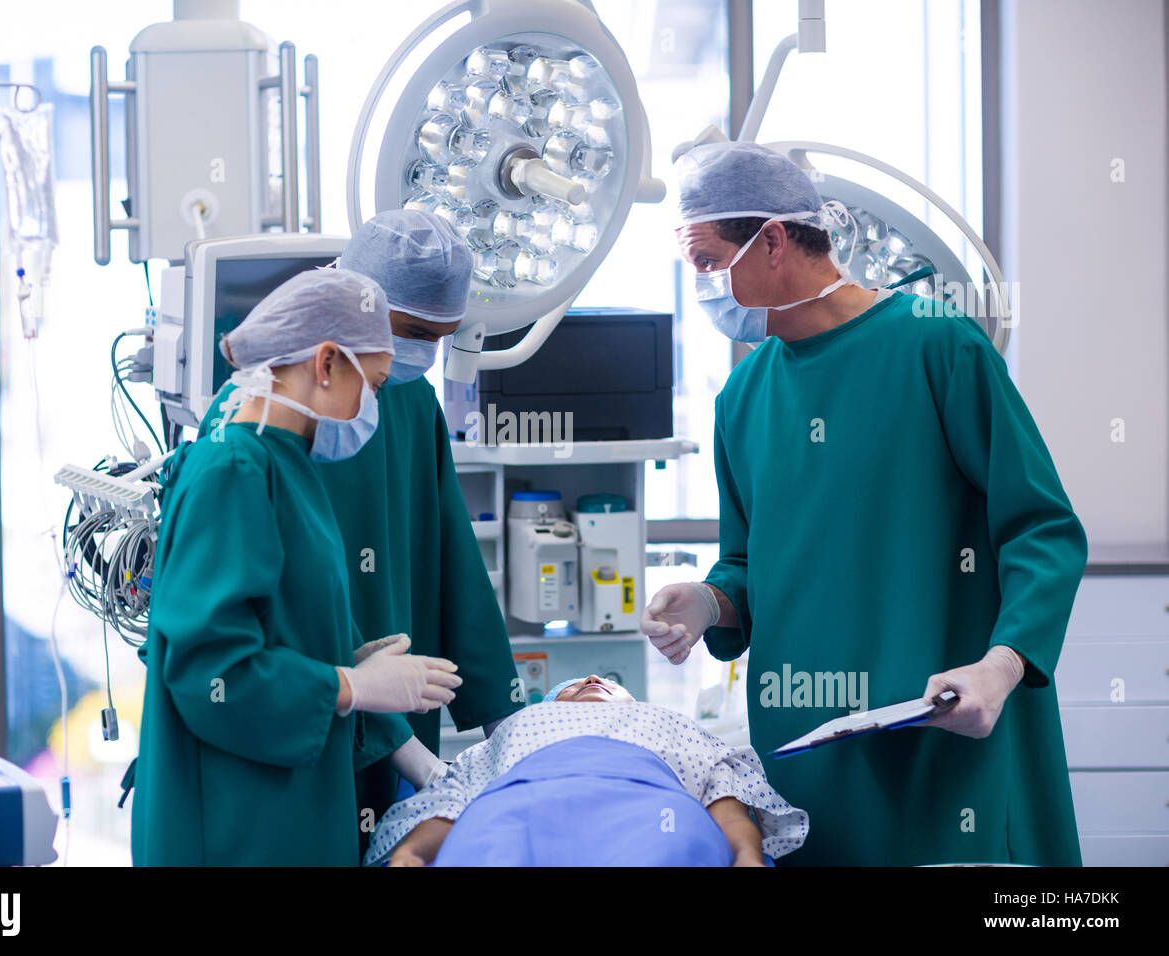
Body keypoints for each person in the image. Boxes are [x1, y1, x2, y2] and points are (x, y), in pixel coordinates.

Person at [642, 140, 1087, 866]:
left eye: (706, 261)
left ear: (773, 241)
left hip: (947, 733)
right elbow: (749, 564)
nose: (701, 287)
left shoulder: (937, 346)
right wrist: (707, 602)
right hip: (808, 759)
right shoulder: (743, 397)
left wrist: (1002, 665)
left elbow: (1042, 529)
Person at [199, 210, 523, 838]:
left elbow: (452, 557)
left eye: (442, 337)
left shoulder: (410, 397)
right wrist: (374, 713)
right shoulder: (249, 433)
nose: (421, 356)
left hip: (384, 695)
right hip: (290, 727)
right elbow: (236, 645)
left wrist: (509, 728)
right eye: (413, 333)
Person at [132, 269, 462, 866]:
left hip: (290, 806)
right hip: (236, 824)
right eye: (375, 386)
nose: (373, 408)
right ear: (327, 363)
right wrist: (348, 686)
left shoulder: (287, 463)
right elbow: (210, 669)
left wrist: (345, 657)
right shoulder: (235, 470)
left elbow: (275, 621)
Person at [367, 675, 808, 867]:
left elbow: (724, 801)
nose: (593, 679)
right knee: (487, 848)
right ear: (551, 706)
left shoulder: (665, 721)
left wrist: (747, 855)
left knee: (667, 849)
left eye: (608, 684)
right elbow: (456, 801)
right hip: (515, 809)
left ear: (634, 703)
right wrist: (413, 854)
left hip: (653, 813)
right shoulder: (524, 724)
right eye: (574, 685)